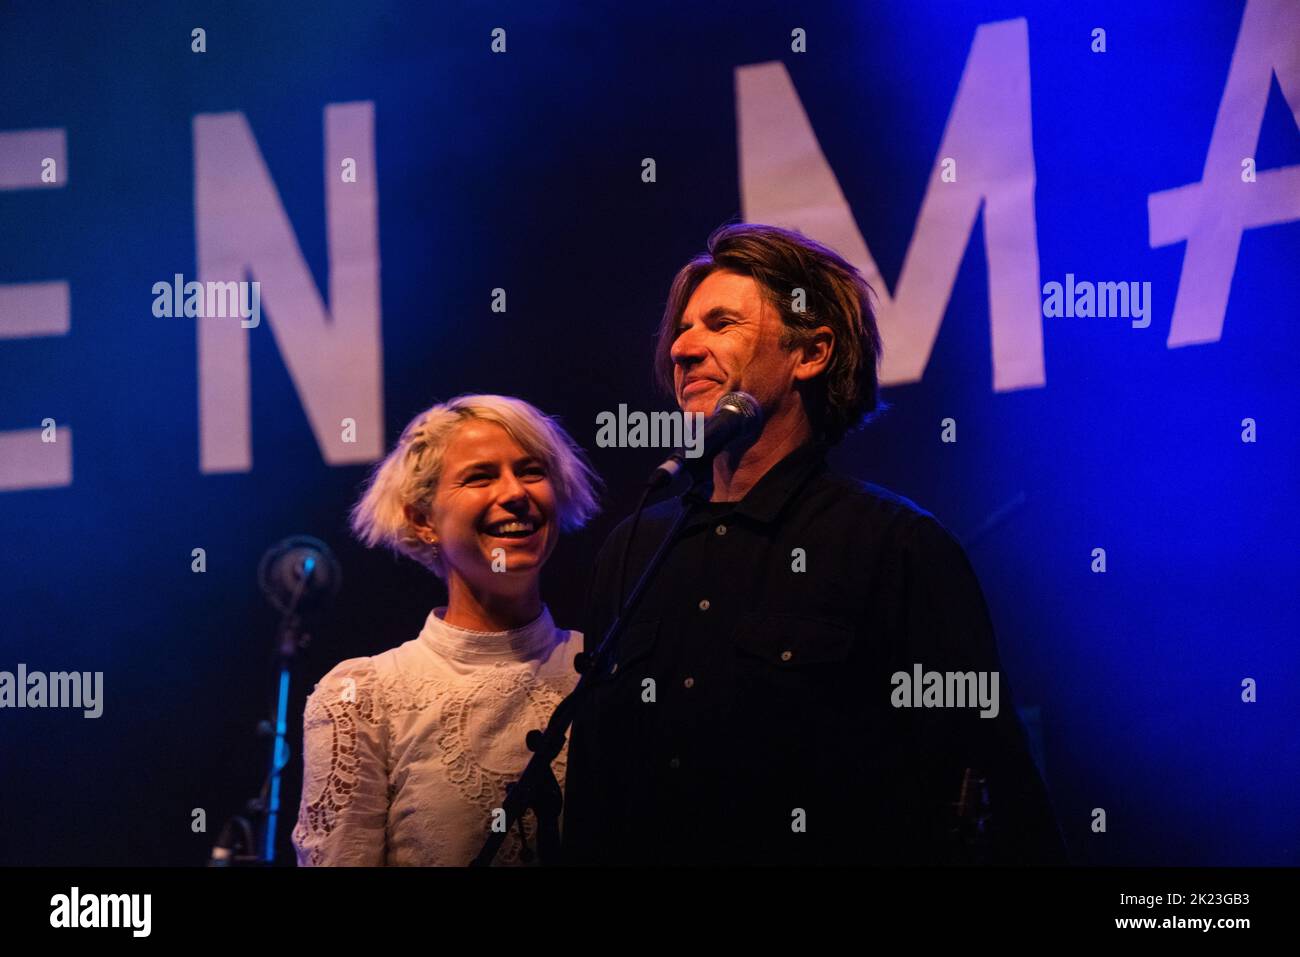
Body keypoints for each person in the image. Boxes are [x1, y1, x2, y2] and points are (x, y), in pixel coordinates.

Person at [562, 223, 1067, 866]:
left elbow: (990, 778)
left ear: (812, 353)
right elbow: (594, 794)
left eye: (720, 324)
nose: (683, 350)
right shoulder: (633, 547)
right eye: (683, 329)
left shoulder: (897, 548)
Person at [292, 394, 600, 866]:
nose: (515, 492)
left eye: (531, 471)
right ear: (422, 518)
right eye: (480, 477)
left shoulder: (608, 667)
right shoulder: (363, 696)